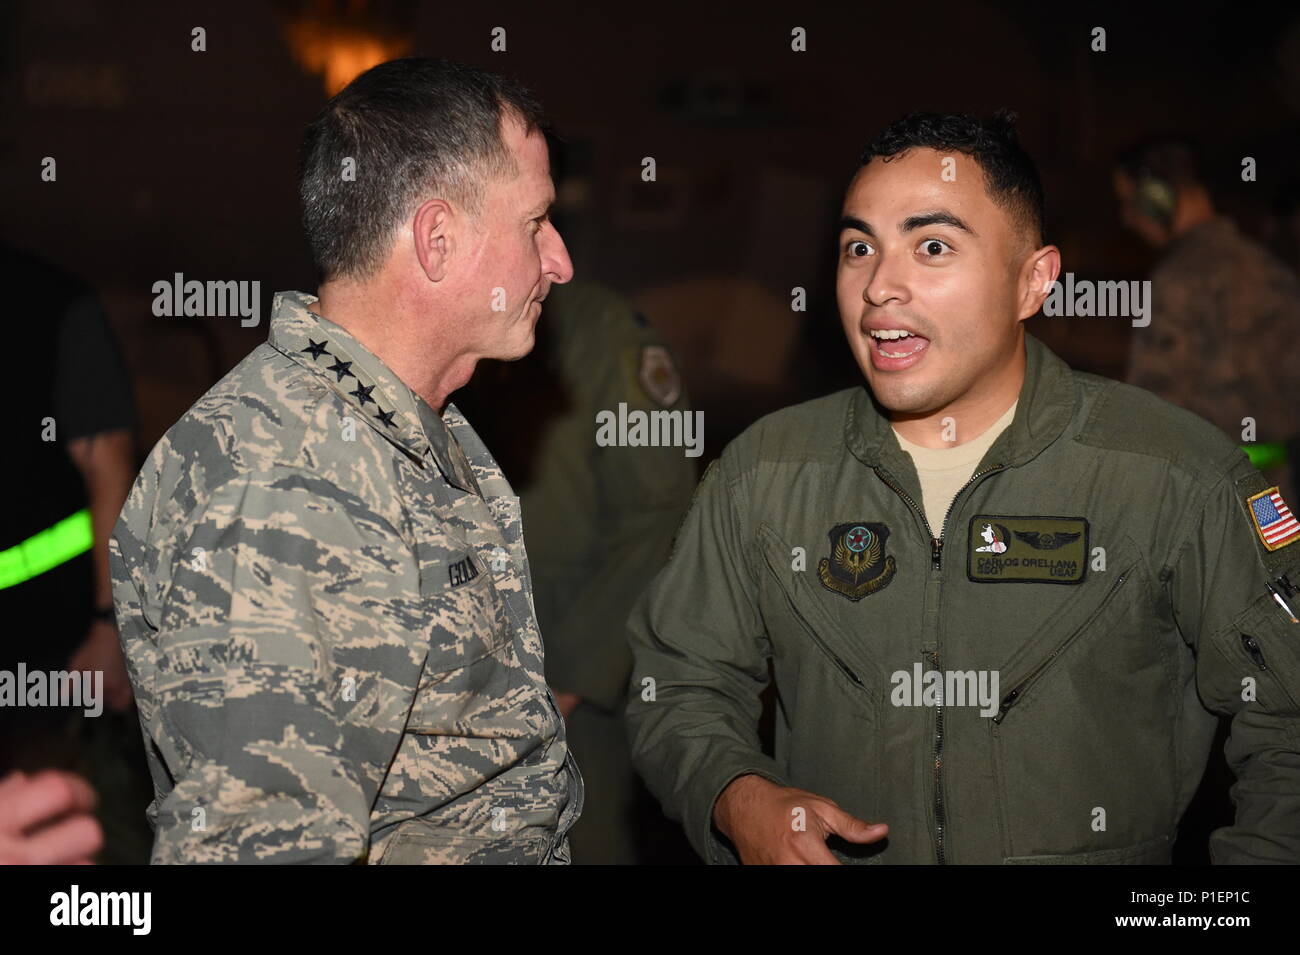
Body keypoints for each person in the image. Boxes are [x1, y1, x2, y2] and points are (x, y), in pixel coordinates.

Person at [626, 111, 1300, 865]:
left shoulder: (1175, 478)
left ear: (1032, 281)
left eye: (933, 246)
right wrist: (738, 794)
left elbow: (1288, 729)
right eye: (858, 248)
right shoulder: (766, 473)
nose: (880, 285)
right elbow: (679, 683)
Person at [110, 58, 581, 864]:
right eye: (535, 224)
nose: (560, 261)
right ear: (437, 239)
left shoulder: (406, 422)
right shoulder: (281, 486)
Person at [457, 279, 698, 863]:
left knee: (569, 840)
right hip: (448, 661)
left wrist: (570, 677)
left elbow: (661, 513)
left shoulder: (599, 332)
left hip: (564, 665)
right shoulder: (438, 314)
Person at [0, 244, 150, 864]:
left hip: (51, 652)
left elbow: (108, 464)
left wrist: (108, 626)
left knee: (73, 819)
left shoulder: (51, 302)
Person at [1114, 138, 1300, 504]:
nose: (1127, 218)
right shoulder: (1265, 265)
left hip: (1212, 496)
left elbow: (1156, 411)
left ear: (1156, 195)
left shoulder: (1179, 280)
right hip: (1275, 494)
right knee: (1276, 561)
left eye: (1129, 201)